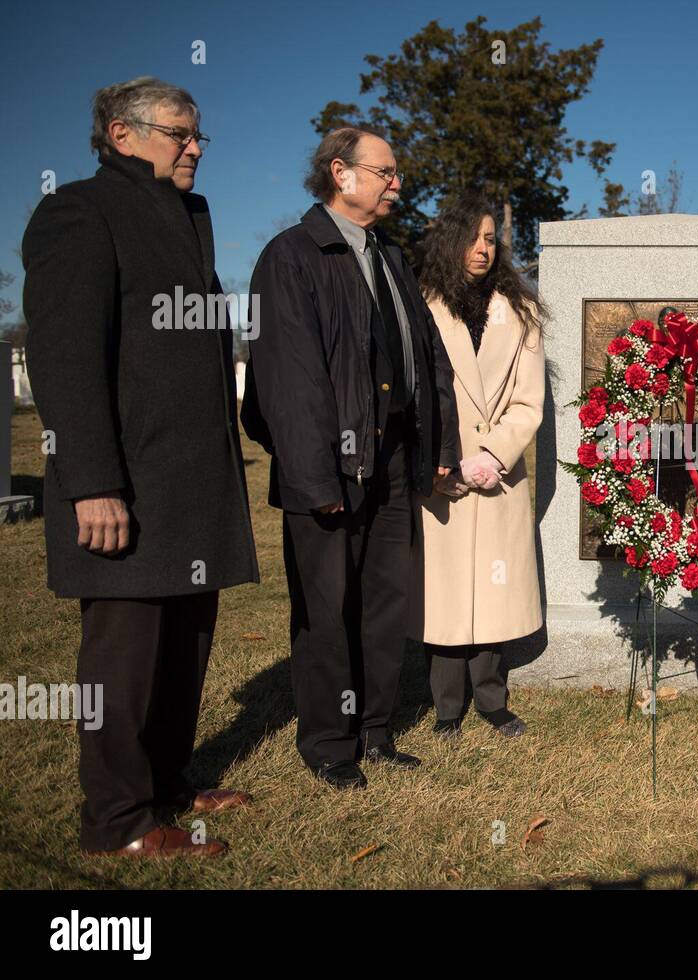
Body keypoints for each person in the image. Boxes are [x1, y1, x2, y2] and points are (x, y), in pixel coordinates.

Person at [22, 77, 260, 857]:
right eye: (178, 134)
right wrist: (90, 482)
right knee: (124, 660)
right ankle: (117, 822)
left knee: (185, 643)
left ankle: (166, 783)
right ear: (121, 135)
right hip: (125, 483)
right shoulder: (78, 212)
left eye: (198, 137)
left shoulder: (190, 216)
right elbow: (65, 357)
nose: (194, 148)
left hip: (191, 484)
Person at [241, 127, 458, 789]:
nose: (398, 184)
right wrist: (313, 476)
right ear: (341, 173)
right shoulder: (292, 256)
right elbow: (287, 380)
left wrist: (440, 445)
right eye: (386, 172)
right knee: (327, 609)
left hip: (390, 460)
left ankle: (375, 730)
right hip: (328, 468)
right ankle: (330, 743)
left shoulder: (389, 255)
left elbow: (428, 358)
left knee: (386, 602)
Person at [416, 196, 546, 739]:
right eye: (473, 237)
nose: (482, 248)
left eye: (491, 238)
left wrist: (493, 457)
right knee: (445, 596)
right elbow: (415, 390)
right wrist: (443, 461)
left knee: (495, 591)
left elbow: (528, 399)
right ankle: (446, 707)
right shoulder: (420, 304)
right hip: (441, 473)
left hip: (499, 473)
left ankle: (493, 699)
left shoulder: (522, 310)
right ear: (450, 240)